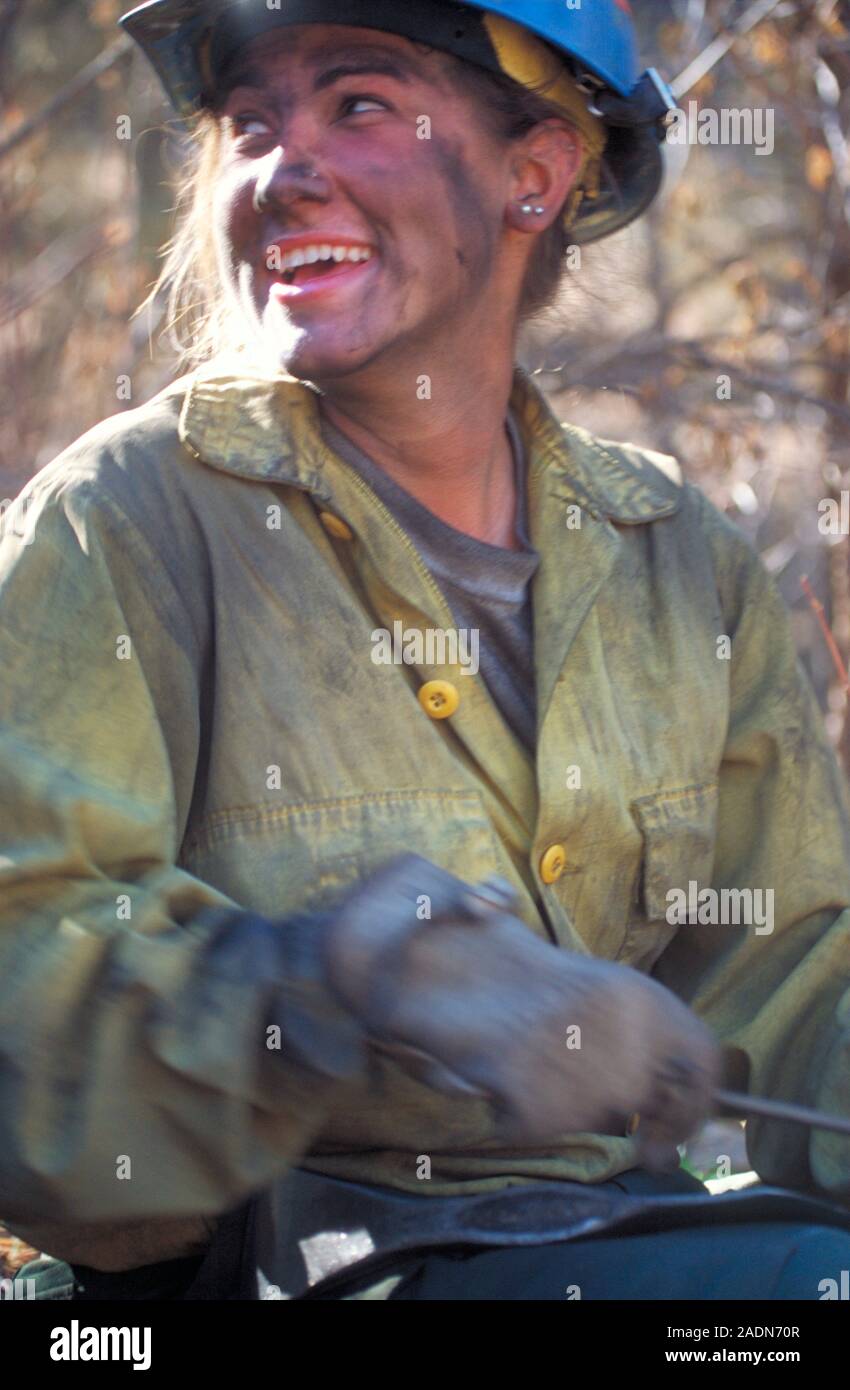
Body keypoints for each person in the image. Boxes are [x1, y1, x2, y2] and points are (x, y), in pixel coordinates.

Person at [2, 0, 850, 1302]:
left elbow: (783, 991)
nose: (284, 170)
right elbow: (26, 1012)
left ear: (534, 173)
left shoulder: (675, 554)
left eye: (357, 104)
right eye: (248, 122)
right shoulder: (127, 524)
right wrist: (332, 995)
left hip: (626, 1240)